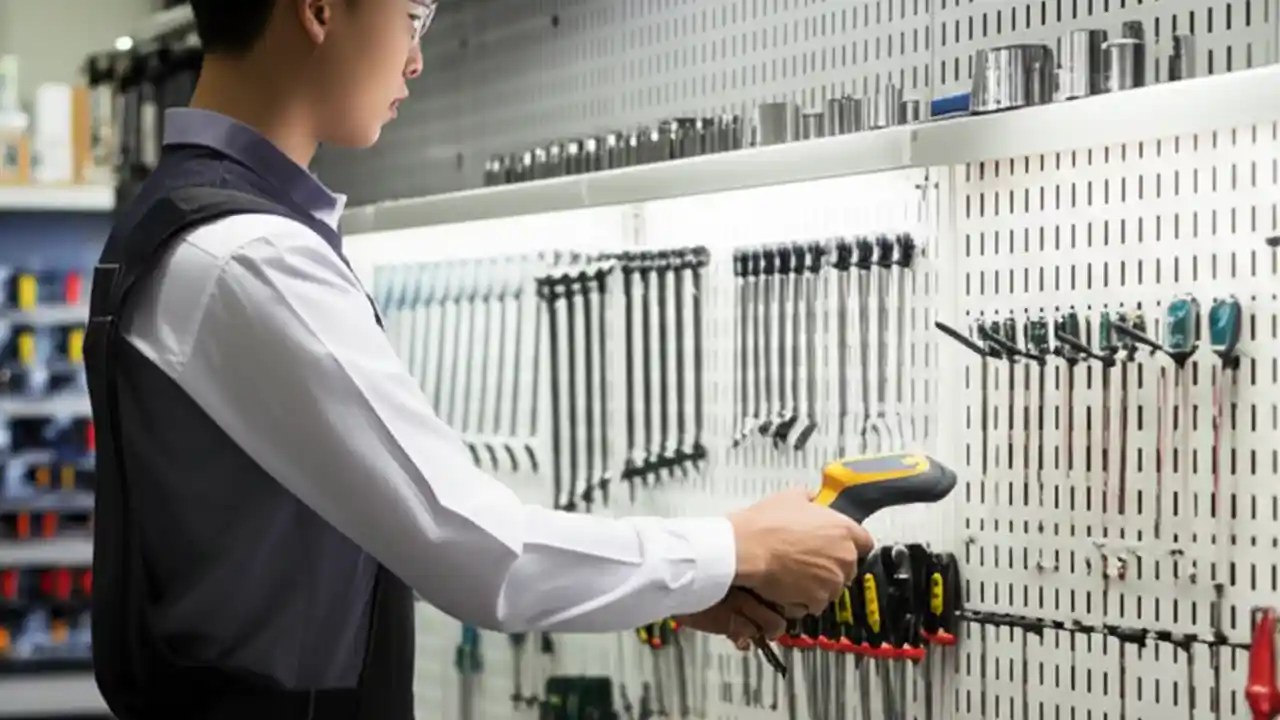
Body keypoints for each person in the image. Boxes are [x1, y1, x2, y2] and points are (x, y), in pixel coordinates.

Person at [83, 1, 874, 718]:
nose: (418, 59)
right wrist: (739, 545)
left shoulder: (179, 223)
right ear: (320, 10)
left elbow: (355, 551)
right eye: (414, 15)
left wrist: (675, 587)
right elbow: (480, 552)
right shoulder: (248, 257)